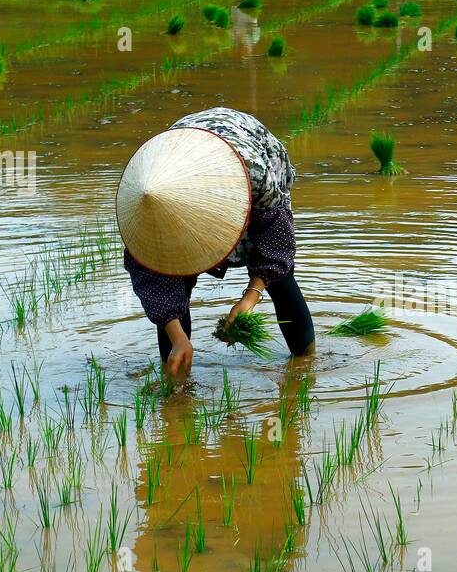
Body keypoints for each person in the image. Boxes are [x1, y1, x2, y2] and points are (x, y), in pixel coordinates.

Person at [118, 108, 315, 377]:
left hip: (244, 147)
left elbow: (276, 247)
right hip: (174, 162)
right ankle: (177, 382)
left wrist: (249, 298)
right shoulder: (143, 209)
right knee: (173, 275)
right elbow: (154, 280)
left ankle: (305, 367)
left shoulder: (254, 173)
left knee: (280, 279)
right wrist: (177, 338)